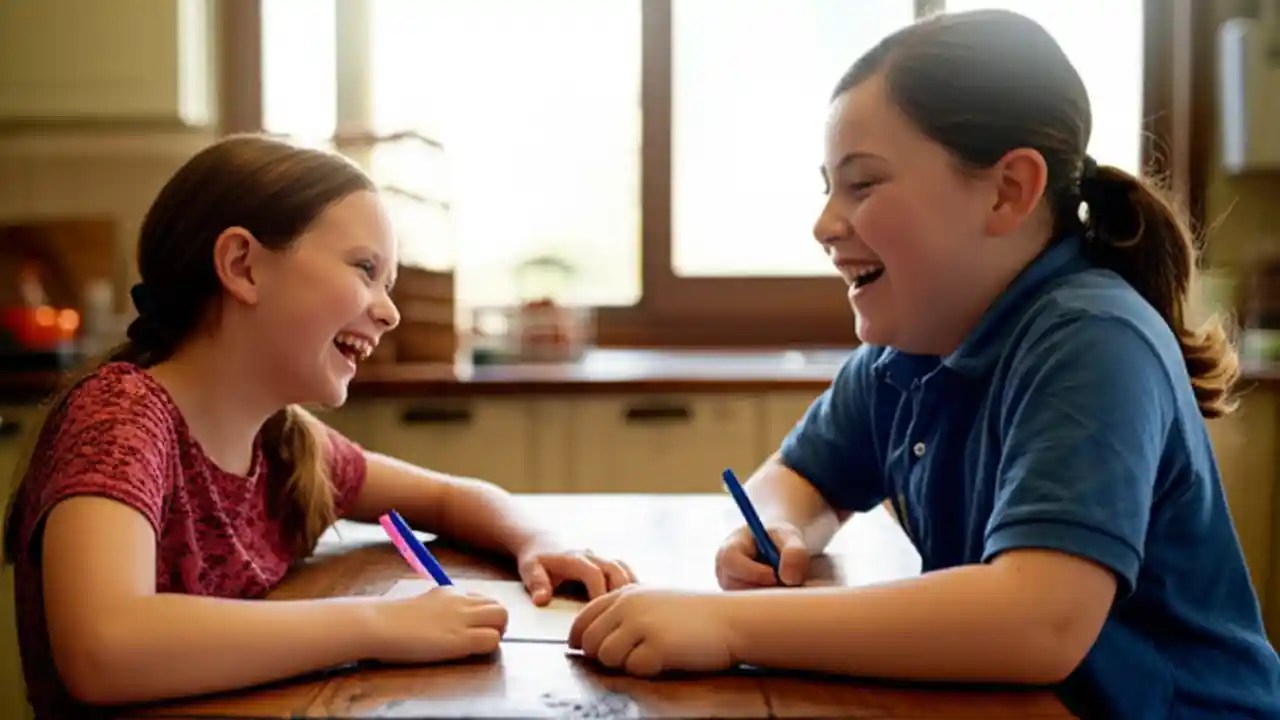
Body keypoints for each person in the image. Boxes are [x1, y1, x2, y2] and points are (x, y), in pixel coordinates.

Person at [568, 10, 1280, 718]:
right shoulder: (908, 348)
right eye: (827, 187)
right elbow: (803, 475)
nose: (824, 225)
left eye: (864, 184)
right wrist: (780, 528)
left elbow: (1038, 622)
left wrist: (724, 625)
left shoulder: (1092, 340)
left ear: (1008, 190)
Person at [2, 134, 635, 719]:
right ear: (244, 266)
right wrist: (379, 626)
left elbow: (448, 496)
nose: (387, 312)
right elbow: (104, 649)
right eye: (365, 270)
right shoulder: (122, 416)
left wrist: (537, 541)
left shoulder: (283, 441)